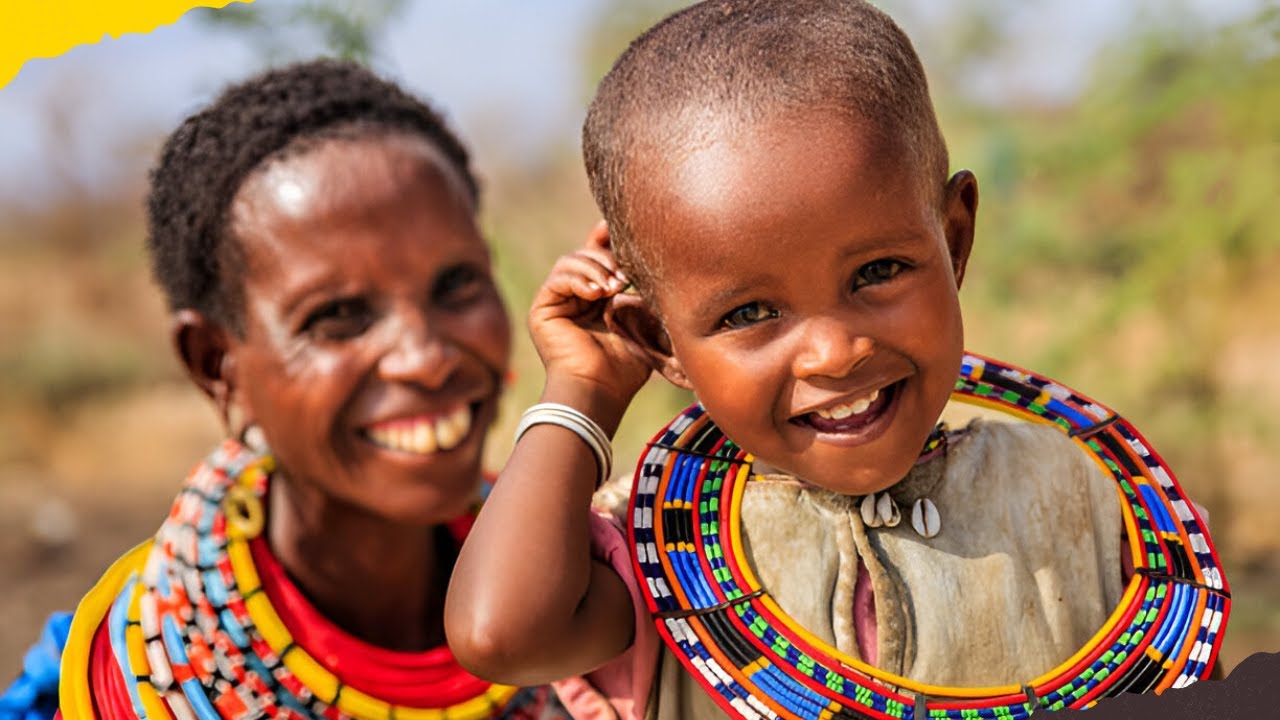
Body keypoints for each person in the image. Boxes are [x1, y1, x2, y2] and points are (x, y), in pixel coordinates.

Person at [444, 2, 1227, 719]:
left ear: (953, 241)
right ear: (657, 341)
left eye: (878, 272)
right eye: (748, 313)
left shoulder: (1096, 502)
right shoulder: (653, 553)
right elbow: (499, 634)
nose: (835, 349)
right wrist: (584, 389)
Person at [0, 59, 569, 720]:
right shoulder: (112, 689)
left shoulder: (597, 584)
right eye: (337, 317)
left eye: (456, 285)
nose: (426, 359)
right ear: (217, 363)